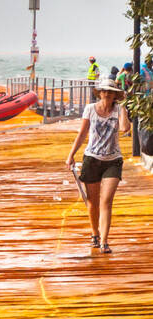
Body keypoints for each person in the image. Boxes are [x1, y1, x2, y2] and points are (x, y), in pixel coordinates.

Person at [66, 79, 131, 254]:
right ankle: (95, 233)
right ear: (99, 93)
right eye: (104, 91)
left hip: (113, 160)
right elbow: (82, 134)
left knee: (106, 200)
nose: (107, 94)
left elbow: (125, 128)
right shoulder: (90, 109)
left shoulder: (118, 110)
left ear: (115, 95)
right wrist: (71, 155)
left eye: (110, 91)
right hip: (92, 159)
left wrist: (123, 107)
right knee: (93, 201)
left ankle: (104, 240)